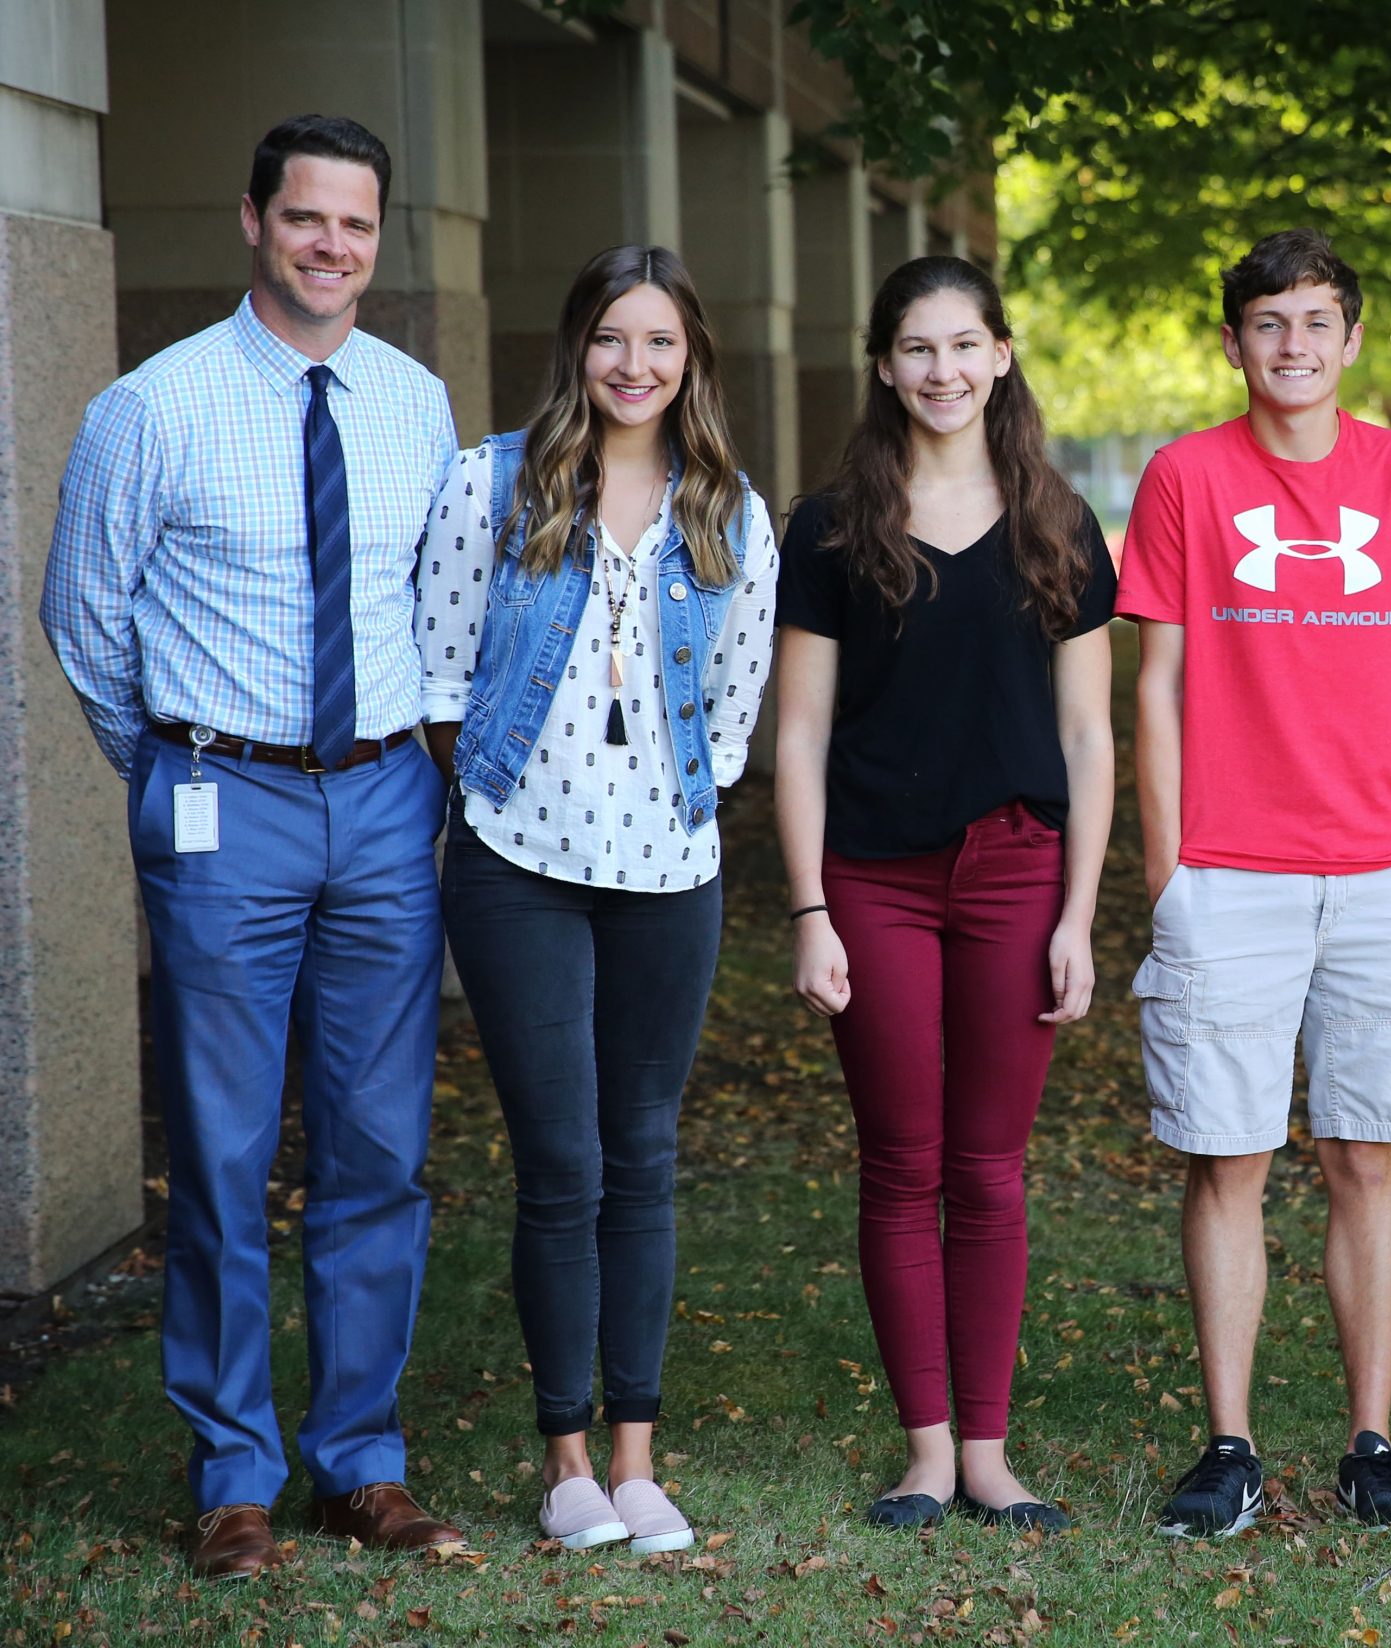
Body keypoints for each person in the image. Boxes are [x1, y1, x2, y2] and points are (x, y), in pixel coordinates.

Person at [40, 115, 463, 1577]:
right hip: (227, 805)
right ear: (251, 221)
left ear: (376, 235)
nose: (331, 247)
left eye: (355, 224)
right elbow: (84, 622)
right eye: (306, 220)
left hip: (388, 799)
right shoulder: (150, 409)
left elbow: (429, 602)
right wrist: (173, 774)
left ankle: (360, 1463)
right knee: (223, 1154)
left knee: (378, 1150)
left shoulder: (416, 403)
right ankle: (233, 1473)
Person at [1120, 227, 1391, 1537]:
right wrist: (1170, 875)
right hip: (1229, 872)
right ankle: (1228, 1446)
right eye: (1269, 323)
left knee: (1363, 1156)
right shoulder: (1185, 478)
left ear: (1352, 337)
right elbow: (1154, 687)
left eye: (1317, 321)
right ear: (1235, 341)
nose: (1294, 345)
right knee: (1229, 1159)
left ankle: (1371, 1444)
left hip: (1384, 869)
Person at [420, 244, 776, 1555]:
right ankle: (565, 1461)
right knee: (559, 1166)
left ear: (692, 361)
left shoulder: (729, 511)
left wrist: (683, 789)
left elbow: (737, 695)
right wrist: (506, 793)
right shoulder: (493, 485)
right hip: (518, 871)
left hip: (669, 877)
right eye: (613, 340)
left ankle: (637, 1459)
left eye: (661, 344)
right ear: (579, 348)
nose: (636, 366)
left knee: (645, 1162)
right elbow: (442, 671)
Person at [774, 256, 1114, 1533]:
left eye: (965, 345)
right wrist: (809, 907)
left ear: (1003, 355)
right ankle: (924, 1449)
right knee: (900, 1160)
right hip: (873, 878)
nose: (943, 371)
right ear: (882, 365)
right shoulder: (829, 527)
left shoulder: (1057, 523)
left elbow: (1088, 739)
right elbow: (798, 733)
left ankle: (988, 1450)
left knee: (990, 1167)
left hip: (1017, 870)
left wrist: (1080, 914)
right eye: (917, 348)